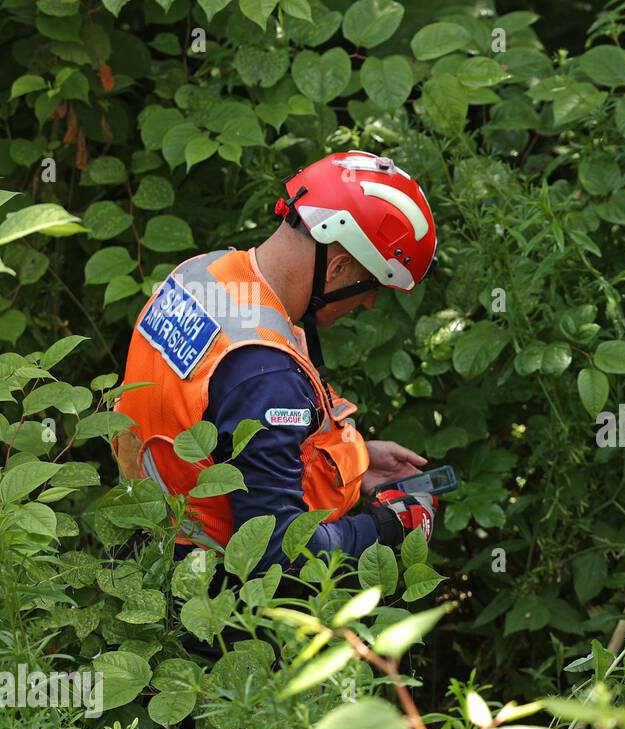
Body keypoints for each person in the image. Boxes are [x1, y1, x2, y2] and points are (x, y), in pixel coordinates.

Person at [112, 151, 441, 582]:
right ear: (339, 266)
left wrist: (356, 461)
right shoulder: (264, 373)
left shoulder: (203, 273)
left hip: (140, 544)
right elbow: (278, 552)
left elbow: (218, 434)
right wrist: (387, 529)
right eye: (371, 285)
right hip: (207, 600)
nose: (368, 302)